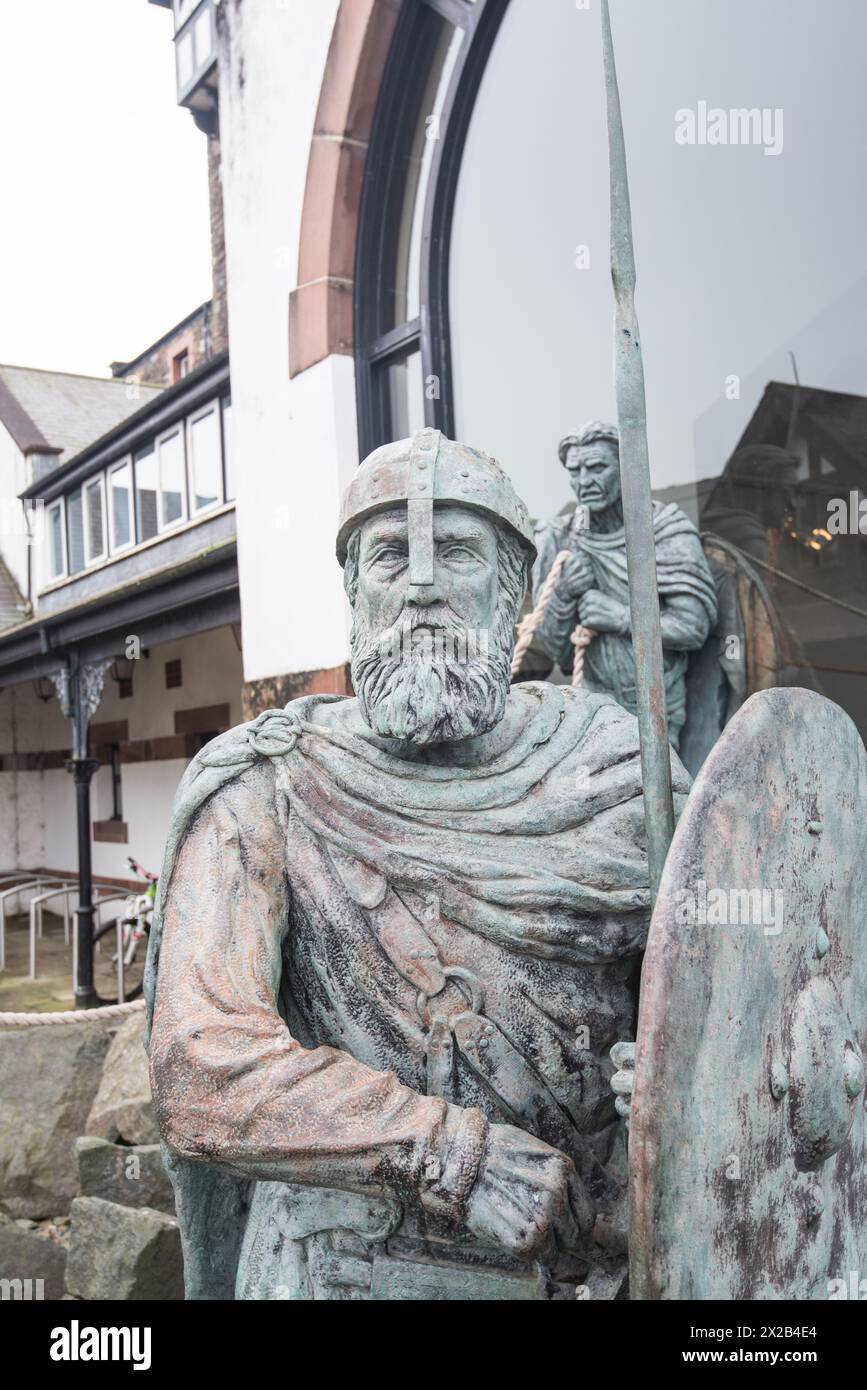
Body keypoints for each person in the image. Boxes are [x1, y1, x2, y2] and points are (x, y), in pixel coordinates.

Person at [146, 428, 689, 1300]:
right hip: (340, 1272)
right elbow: (202, 1063)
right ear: (353, 591)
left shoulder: (624, 770)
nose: (424, 586)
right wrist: (448, 1154)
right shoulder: (267, 783)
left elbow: (731, 995)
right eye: (391, 554)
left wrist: (673, 1069)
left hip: (583, 1267)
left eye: (461, 552)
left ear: (513, 589)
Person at [531, 422, 718, 748]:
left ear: (626, 466)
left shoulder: (665, 531)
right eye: (575, 471)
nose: (584, 481)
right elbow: (553, 649)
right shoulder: (559, 539)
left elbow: (693, 626)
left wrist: (620, 617)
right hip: (589, 707)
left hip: (655, 707)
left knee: (654, 794)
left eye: (597, 467)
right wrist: (562, 596)